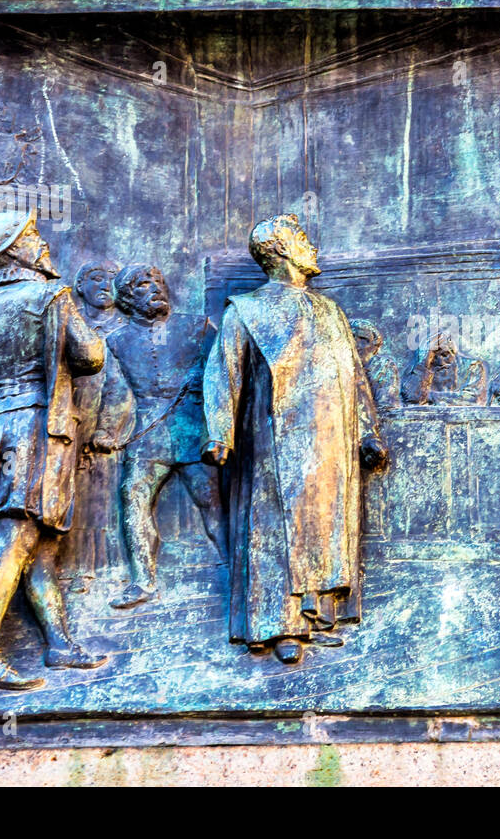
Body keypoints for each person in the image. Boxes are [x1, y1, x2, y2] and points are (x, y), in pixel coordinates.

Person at [202, 214, 387, 665]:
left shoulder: (329, 311)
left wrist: (367, 430)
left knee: (324, 527)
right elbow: (223, 374)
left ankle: (318, 616)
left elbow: (354, 376)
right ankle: (277, 625)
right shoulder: (246, 310)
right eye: (303, 239)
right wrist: (220, 433)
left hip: (330, 436)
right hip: (272, 436)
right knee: (274, 526)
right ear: (281, 250)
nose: (312, 247)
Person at [0, 209, 111, 690]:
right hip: (38, 426)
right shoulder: (51, 296)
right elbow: (90, 356)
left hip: (2, 423)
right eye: (33, 236)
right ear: (16, 251)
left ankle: (59, 644)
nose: (42, 243)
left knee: (40, 547)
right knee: (14, 540)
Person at [107, 264, 224, 610]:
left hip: (193, 426)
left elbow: (222, 373)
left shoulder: (198, 327)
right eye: (143, 285)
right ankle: (143, 580)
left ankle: (232, 563)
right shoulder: (116, 341)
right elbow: (111, 393)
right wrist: (106, 430)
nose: (155, 288)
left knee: (211, 501)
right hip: (147, 432)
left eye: (158, 282)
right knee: (132, 494)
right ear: (127, 298)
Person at [62, 259, 133, 593]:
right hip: (70, 420)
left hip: (111, 424)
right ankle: (71, 566)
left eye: (111, 279)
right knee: (70, 494)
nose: (105, 284)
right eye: (95, 278)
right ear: (79, 286)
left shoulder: (126, 330)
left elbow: (124, 387)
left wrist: (108, 427)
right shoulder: (68, 324)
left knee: (103, 497)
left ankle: (106, 567)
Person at [401, 331, 488, 405]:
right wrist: (426, 365)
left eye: (444, 355)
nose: (440, 361)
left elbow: (472, 399)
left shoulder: (472, 367)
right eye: (434, 356)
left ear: (454, 352)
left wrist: (430, 396)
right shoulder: (424, 370)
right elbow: (411, 398)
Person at [351, 319, 402, 410]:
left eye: (363, 340)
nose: (356, 345)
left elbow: (386, 405)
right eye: (351, 339)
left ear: (374, 346)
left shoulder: (383, 365)